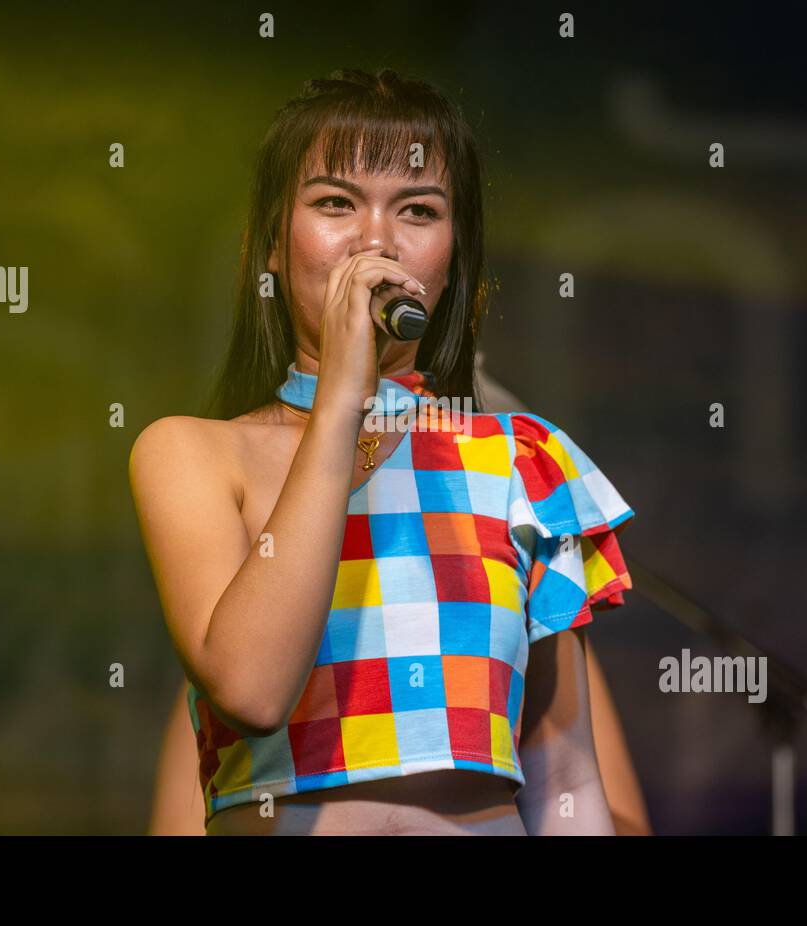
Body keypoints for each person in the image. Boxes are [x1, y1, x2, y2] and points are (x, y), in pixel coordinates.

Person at [129, 68, 642, 835]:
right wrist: (342, 397)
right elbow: (254, 687)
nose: (376, 240)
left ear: (452, 255)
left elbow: (565, 780)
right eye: (335, 203)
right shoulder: (195, 455)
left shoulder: (519, 461)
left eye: (417, 210)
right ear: (270, 244)